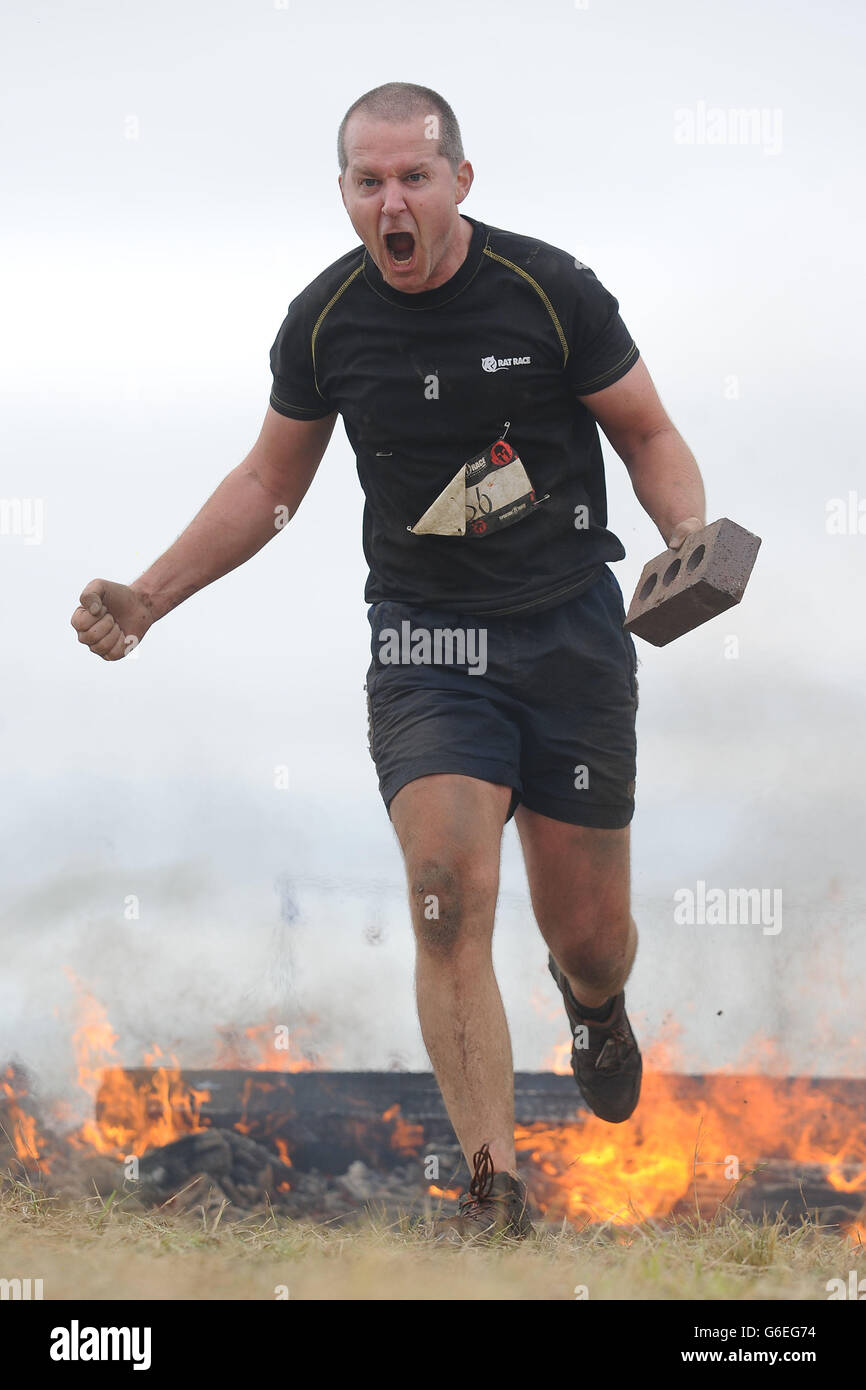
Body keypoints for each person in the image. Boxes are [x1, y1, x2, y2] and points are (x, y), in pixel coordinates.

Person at [70, 82, 705, 1242]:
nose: (391, 200)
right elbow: (268, 486)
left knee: (588, 933)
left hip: (568, 635)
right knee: (443, 897)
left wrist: (687, 539)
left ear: (460, 180)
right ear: (346, 196)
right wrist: (148, 597)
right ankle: (489, 1192)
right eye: (368, 182)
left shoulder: (550, 291)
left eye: (413, 176)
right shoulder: (325, 324)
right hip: (425, 651)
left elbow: (647, 433)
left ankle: (595, 1005)